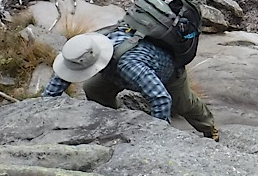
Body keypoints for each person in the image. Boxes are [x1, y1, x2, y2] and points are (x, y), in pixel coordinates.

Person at [41, 26, 219, 142]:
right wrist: (43, 104)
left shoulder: (129, 65)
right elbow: (64, 74)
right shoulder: (90, 45)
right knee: (93, 88)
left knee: (184, 104)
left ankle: (210, 129)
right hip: (114, 69)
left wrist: (158, 136)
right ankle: (113, 121)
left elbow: (161, 99)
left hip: (168, 73)